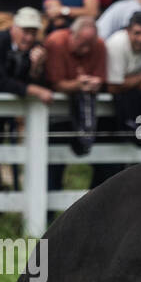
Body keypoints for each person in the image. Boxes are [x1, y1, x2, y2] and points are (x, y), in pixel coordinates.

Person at [44, 14, 106, 176]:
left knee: (100, 160)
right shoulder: (56, 42)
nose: (86, 49)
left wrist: (95, 83)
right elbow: (55, 83)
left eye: (89, 45)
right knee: (54, 164)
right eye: (82, 44)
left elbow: (102, 79)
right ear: (73, 34)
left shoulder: (99, 45)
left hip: (88, 111)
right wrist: (78, 84)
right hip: (55, 113)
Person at [106, 10, 141, 147]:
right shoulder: (116, 43)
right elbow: (113, 87)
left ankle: (140, 137)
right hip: (112, 107)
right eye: (137, 33)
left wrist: (128, 81)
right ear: (127, 31)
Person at [0, 5, 52, 102]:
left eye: (33, 33)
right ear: (13, 28)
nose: (29, 38)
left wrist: (36, 67)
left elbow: (33, 82)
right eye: (25, 32)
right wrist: (33, 90)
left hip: (16, 105)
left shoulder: (36, 48)